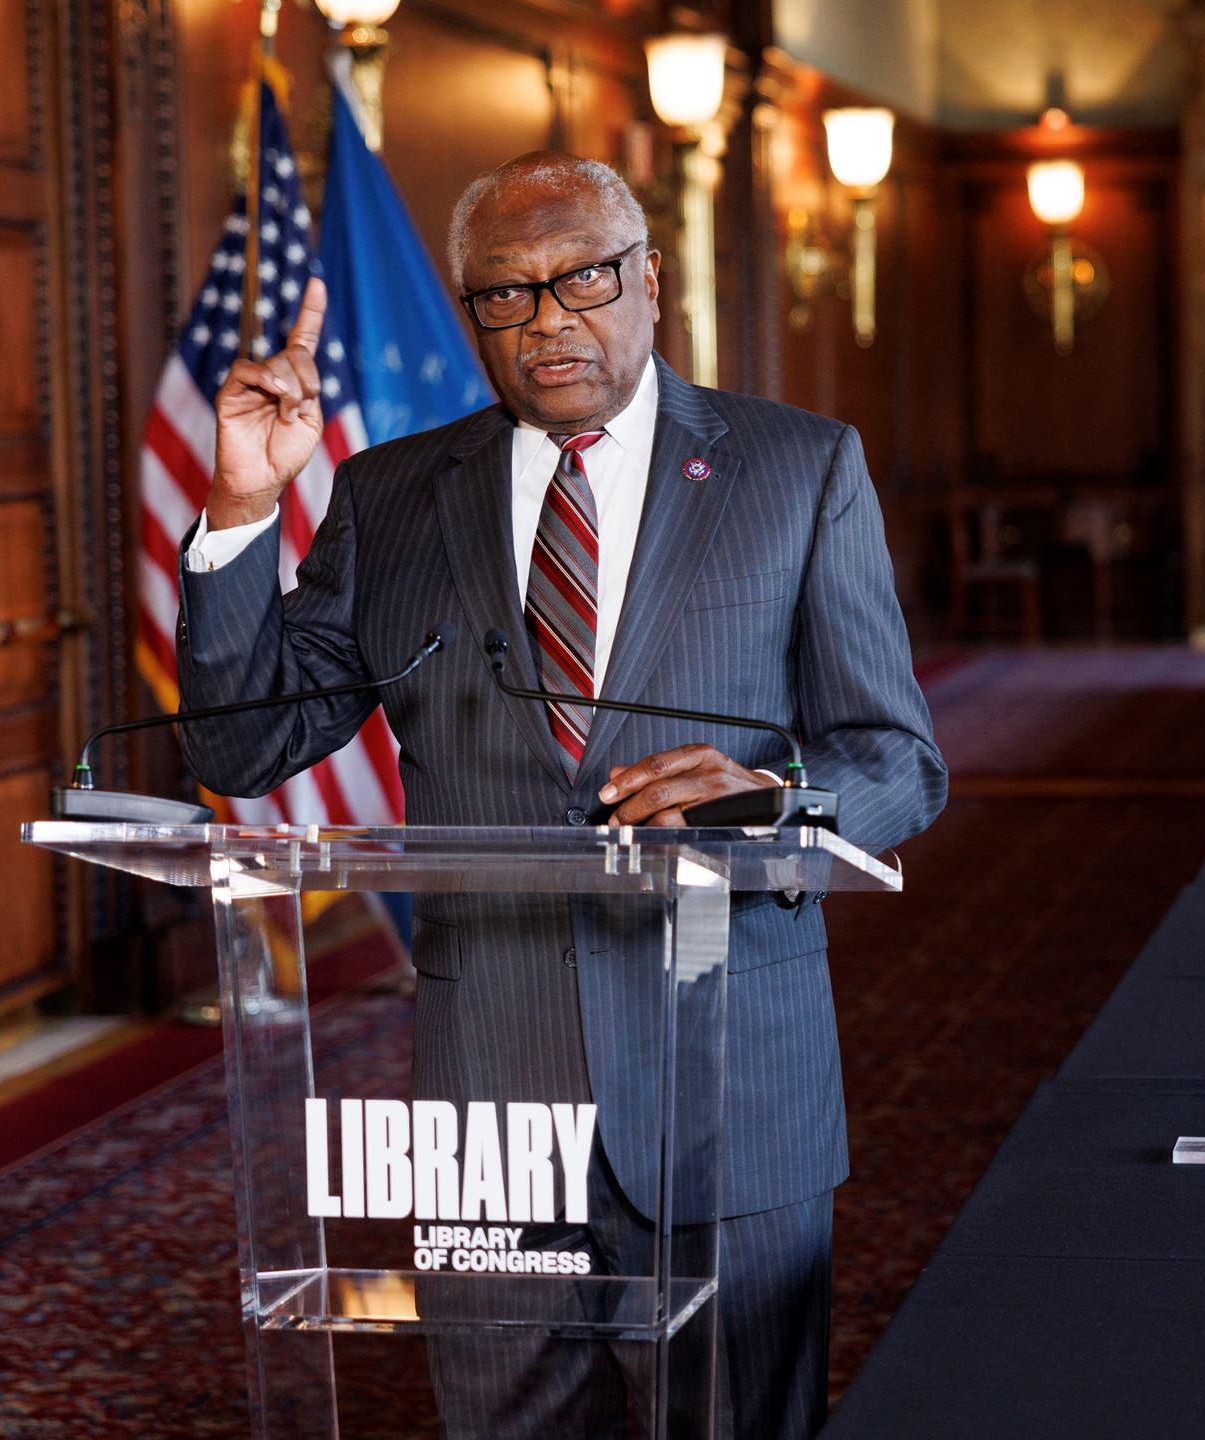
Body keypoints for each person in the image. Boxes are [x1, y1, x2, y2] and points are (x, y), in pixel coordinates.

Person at [175, 152, 947, 1438]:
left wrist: (773, 796)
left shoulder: (798, 468)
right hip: (493, 1089)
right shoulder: (390, 496)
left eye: (581, 279)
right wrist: (245, 503)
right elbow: (249, 746)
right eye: (506, 297)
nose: (548, 322)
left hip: (725, 1080)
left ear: (649, 279)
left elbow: (898, 760)